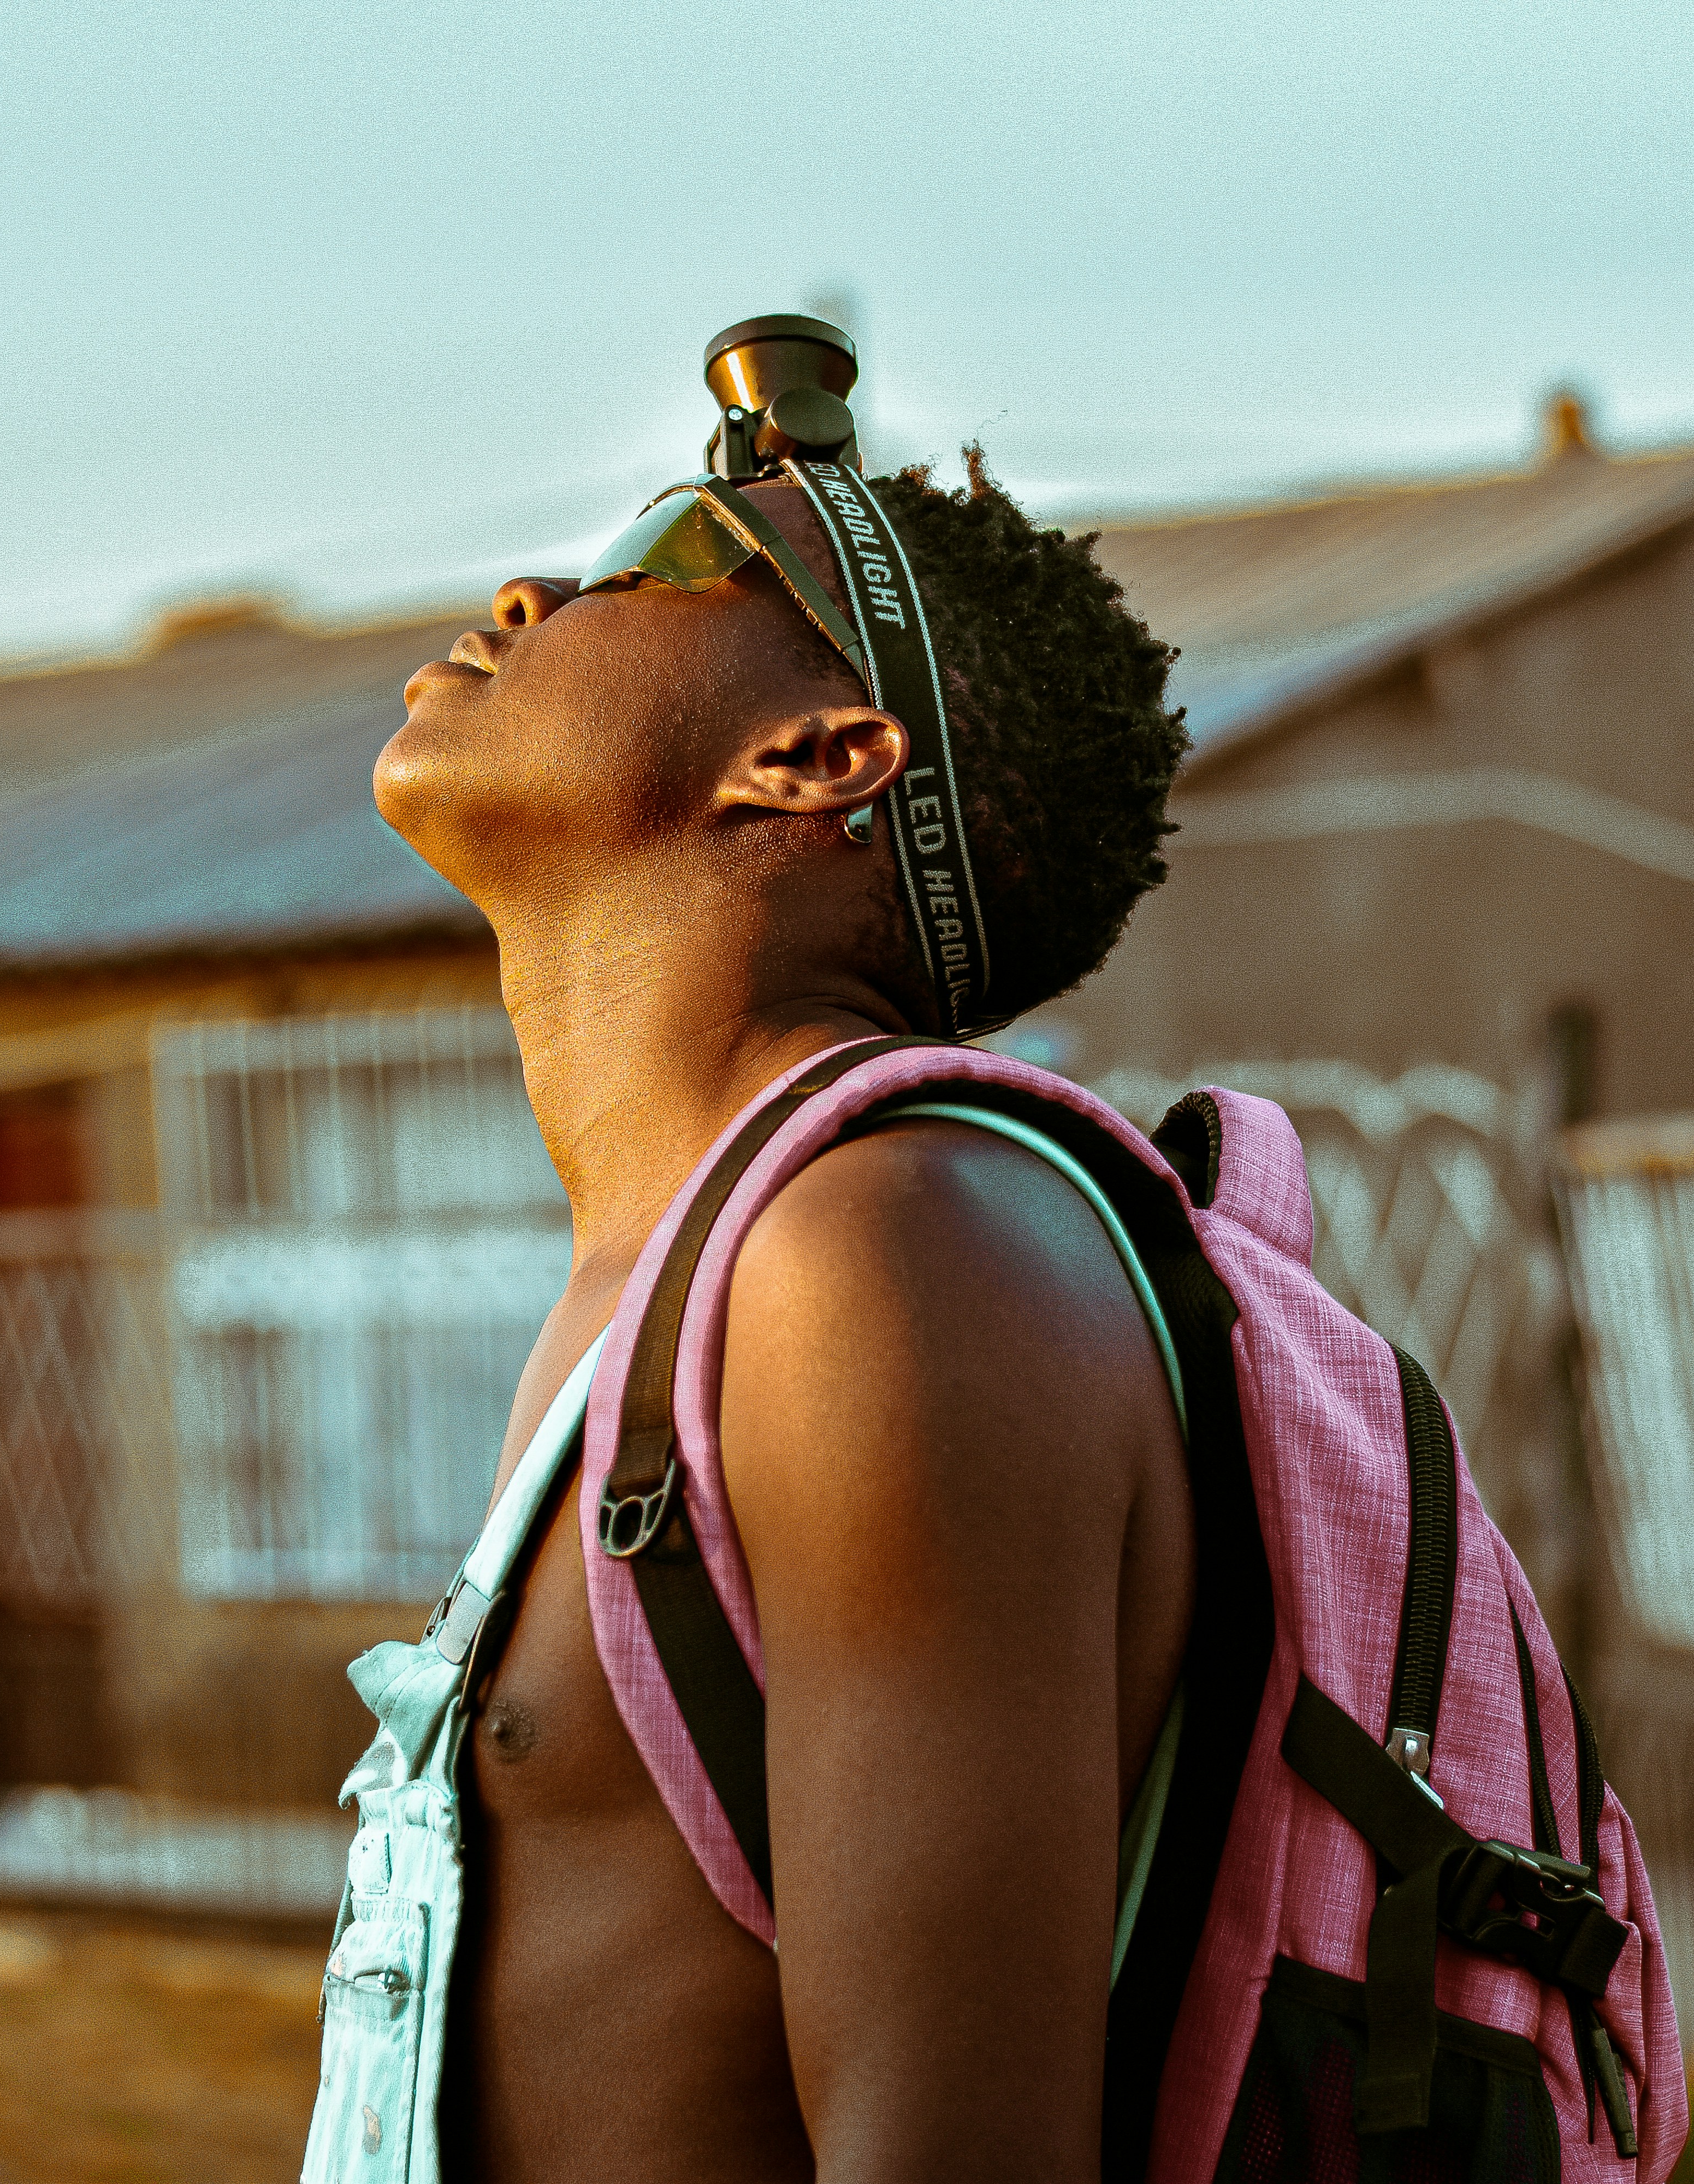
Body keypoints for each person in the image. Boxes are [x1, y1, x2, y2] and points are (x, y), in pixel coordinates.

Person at [366, 448, 1194, 2182]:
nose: (535, 592)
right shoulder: (696, 1256)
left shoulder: (880, 1262)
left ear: (819, 758)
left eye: (660, 556)